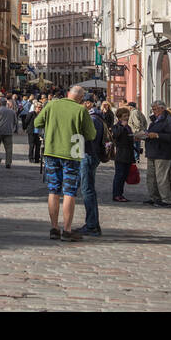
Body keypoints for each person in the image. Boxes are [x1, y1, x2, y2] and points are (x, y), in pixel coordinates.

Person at [33, 87, 97, 241]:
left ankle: (54, 228)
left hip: (51, 150)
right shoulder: (81, 111)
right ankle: (67, 230)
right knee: (69, 191)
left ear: (68, 94)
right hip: (72, 153)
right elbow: (91, 134)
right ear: (81, 98)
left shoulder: (51, 105)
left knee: (53, 190)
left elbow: (37, 122)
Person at [78, 98, 107, 236]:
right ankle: (93, 223)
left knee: (87, 190)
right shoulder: (96, 117)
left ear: (87, 104)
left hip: (88, 155)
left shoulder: (93, 119)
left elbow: (90, 138)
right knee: (88, 189)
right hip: (91, 155)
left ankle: (92, 225)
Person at [141, 101, 171, 206]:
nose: (154, 111)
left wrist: (157, 135)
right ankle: (154, 197)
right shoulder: (154, 120)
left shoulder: (168, 120)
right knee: (151, 178)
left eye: (155, 109)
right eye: (152, 109)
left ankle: (166, 200)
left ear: (162, 109)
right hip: (152, 152)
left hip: (162, 153)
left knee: (162, 178)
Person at [110, 108, 136, 201]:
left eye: (127, 115)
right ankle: (116, 194)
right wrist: (122, 126)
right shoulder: (116, 126)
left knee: (124, 175)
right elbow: (115, 135)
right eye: (124, 116)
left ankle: (120, 194)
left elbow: (129, 139)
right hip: (121, 154)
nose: (127, 118)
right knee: (119, 175)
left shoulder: (128, 127)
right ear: (119, 117)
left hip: (128, 154)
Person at [0, 96, 18, 168]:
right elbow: (15, 122)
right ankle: (8, 163)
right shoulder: (12, 111)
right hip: (8, 131)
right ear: (6, 104)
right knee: (8, 148)